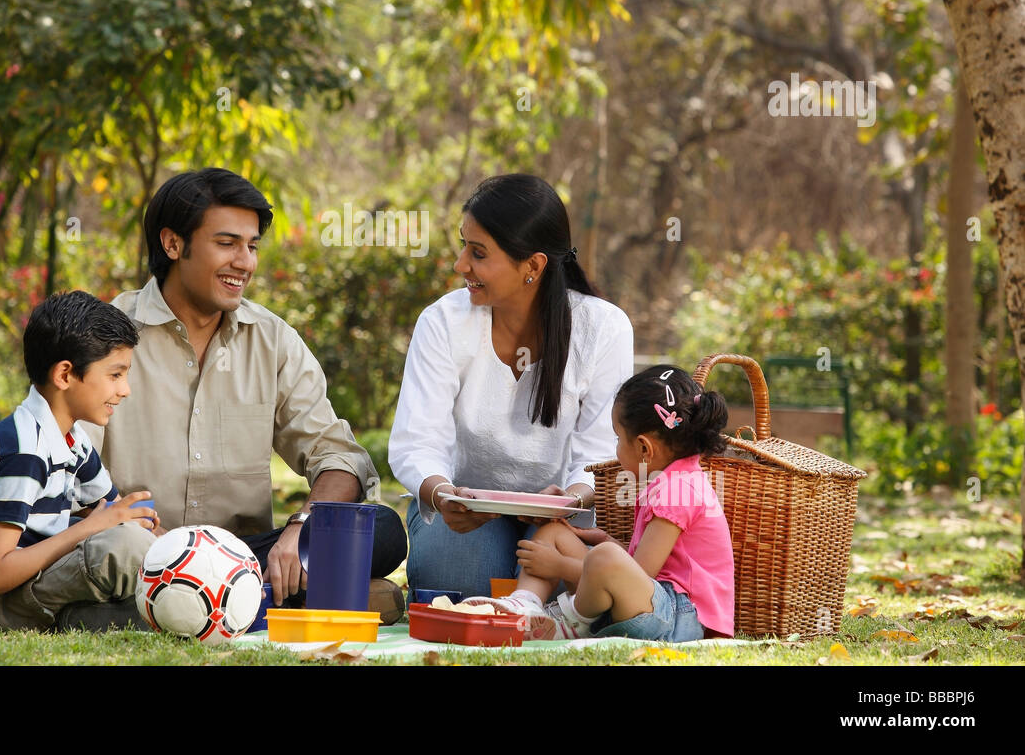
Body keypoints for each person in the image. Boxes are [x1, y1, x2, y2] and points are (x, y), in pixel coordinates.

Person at [89, 168, 407, 620]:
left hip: (243, 558)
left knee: (383, 530)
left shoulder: (272, 340)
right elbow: (67, 473)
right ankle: (273, 603)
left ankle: (219, 603)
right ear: (173, 244)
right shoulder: (106, 333)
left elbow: (337, 456)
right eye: (227, 244)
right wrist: (131, 532)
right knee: (104, 550)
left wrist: (301, 527)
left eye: (252, 246)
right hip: (140, 553)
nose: (245, 262)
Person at [388, 174, 634, 598]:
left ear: (533, 266)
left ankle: (540, 588)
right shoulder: (443, 322)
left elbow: (601, 451)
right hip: (463, 517)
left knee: (554, 577)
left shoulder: (603, 328)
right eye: (463, 245)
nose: (460, 264)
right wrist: (444, 494)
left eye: (478, 253)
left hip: (563, 521)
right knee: (460, 582)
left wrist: (571, 501)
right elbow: (417, 442)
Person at [0, 290, 163, 632]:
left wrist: (189, 549)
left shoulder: (71, 439)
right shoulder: (23, 451)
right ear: (64, 375)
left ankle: (125, 614)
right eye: (115, 375)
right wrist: (93, 527)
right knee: (121, 545)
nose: (125, 389)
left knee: (131, 541)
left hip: (31, 585)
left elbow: (117, 511)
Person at [467, 365, 735, 641]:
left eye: (619, 439)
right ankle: (524, 603)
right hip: (656, 603)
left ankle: (568, 623)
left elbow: (638, 573)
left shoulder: (679, 490)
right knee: (555, 532)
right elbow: (638, 569)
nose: (616, 449)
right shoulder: (672, 481)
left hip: (681, 619)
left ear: (644, 448)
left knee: (604, 557)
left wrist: (559, 566)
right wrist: (606, 539)